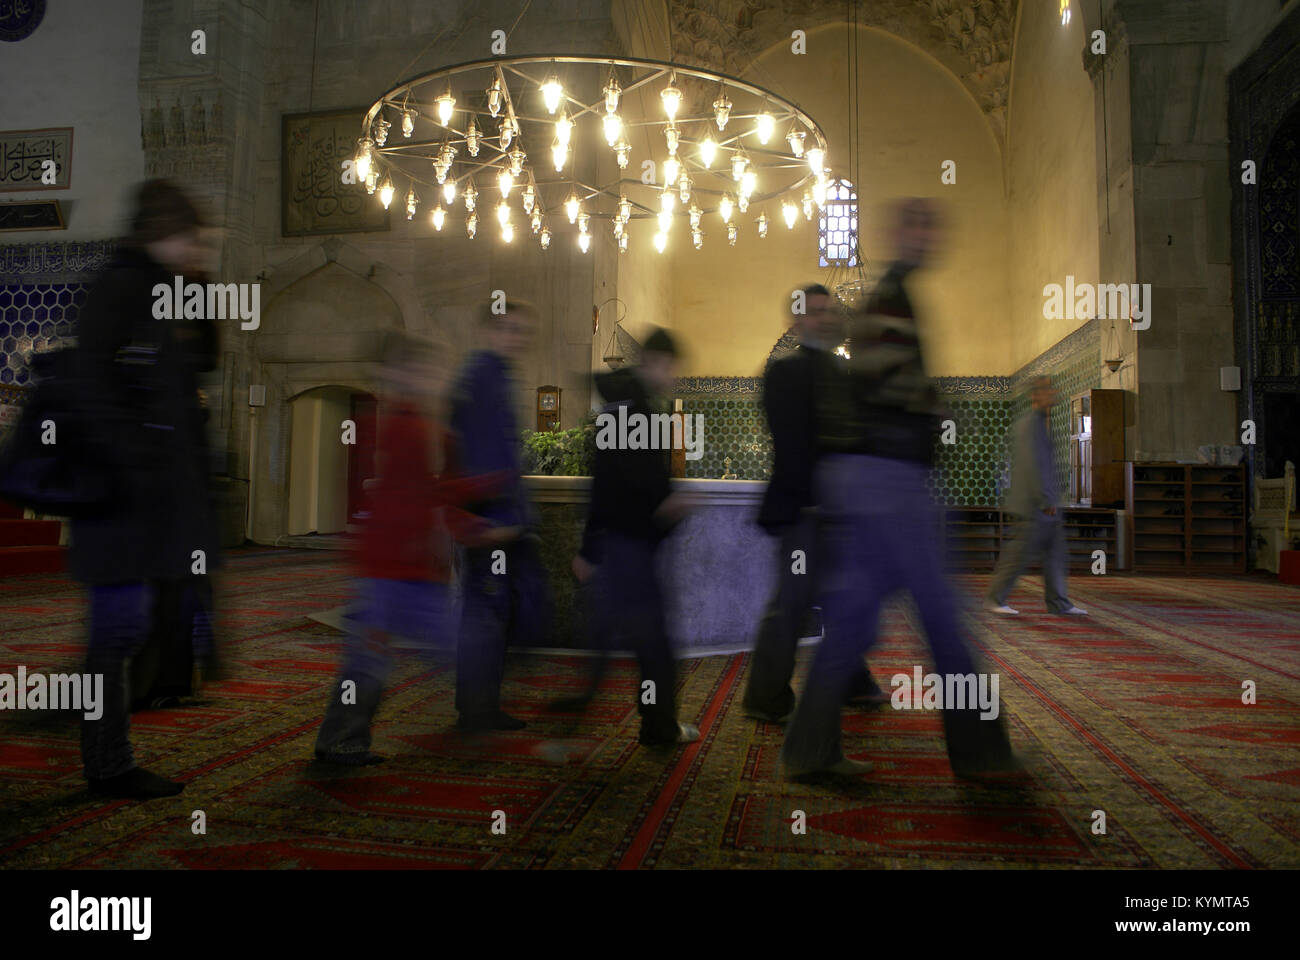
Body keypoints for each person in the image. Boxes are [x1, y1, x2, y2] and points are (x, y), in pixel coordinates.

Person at [780, 198, 1018, 780]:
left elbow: (875, 379)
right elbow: (885, 381)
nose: (926, 235)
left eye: (930, 223)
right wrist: (930, 402)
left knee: (856, 618)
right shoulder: (890, 297)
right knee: (942, 614)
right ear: (898, 233)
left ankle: (808, 751)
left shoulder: (892, 297)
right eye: (916, 224)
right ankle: (983, 755)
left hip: (864, 481)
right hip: (889, 480)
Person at [68, 179, 220, 799]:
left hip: (149, 504)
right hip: (118, 502)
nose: (194, 249)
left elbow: (203, 362)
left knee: (133, 628)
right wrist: (136, 464)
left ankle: (105, 748)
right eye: (189, 239)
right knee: (118, 631)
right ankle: (106, 762)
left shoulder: (170, 291)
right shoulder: (117, 288)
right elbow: (93, 390)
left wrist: (200, 288)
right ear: (163, 231)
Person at [314, 332, 515, 765]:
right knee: (385, 655)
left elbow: (429, 491)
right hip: (393, 566)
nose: (429, 379)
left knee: (379, 655)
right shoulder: (398, 426)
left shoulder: (423, 428)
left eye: (432, 371)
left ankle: (343, 739)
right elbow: (416, 496)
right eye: (420, 370)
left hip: (407, 565)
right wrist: (476, 520)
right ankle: (344, 741)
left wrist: (481, 496)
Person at [744, 284, 886, 723]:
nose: (824, 318)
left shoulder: (840, 373)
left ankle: (851, 680)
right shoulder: (784, 373)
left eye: (829, 311)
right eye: (815, 311)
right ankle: (764, 696)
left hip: (838, 513)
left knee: (847, 597)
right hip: (806, 513)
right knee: (794, 601)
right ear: (797, 319)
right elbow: (794, 448)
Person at [573, 328, 698, 746]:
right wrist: (666, 507)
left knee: (619, 640)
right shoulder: (635, 410)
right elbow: (614, 482)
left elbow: (612, 479)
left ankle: (580, 716)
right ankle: (656, 727)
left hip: (621, 545)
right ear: (653, 362)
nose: (671, 376)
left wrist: (591, 547)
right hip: (631, 548)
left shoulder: (626, 405)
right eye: (669, 367)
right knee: (654, 645)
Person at [449, 300, 550, 731]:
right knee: (488, 611)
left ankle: (478, 703)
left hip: (495, 517)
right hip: (491, 520)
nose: (517, 338)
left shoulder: (493, 375)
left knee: (494, 609)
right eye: (509, 328)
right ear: (490, 329)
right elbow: (483, 454)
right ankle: (477, 709)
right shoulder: (483, 377)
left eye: (521, 331)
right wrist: (498, 519)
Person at [986, 377, 1088, 616]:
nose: (1053, 393)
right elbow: (1034, 464)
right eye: (1047, 390)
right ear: (1036, 395)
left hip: (1043, 504)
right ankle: (994, 599)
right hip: (1033, 506)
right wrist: (1045, 498)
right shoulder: (1029, 425)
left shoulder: (1041, 423)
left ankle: (1059, 603)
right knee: (1017, 555)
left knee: (1055, 554)